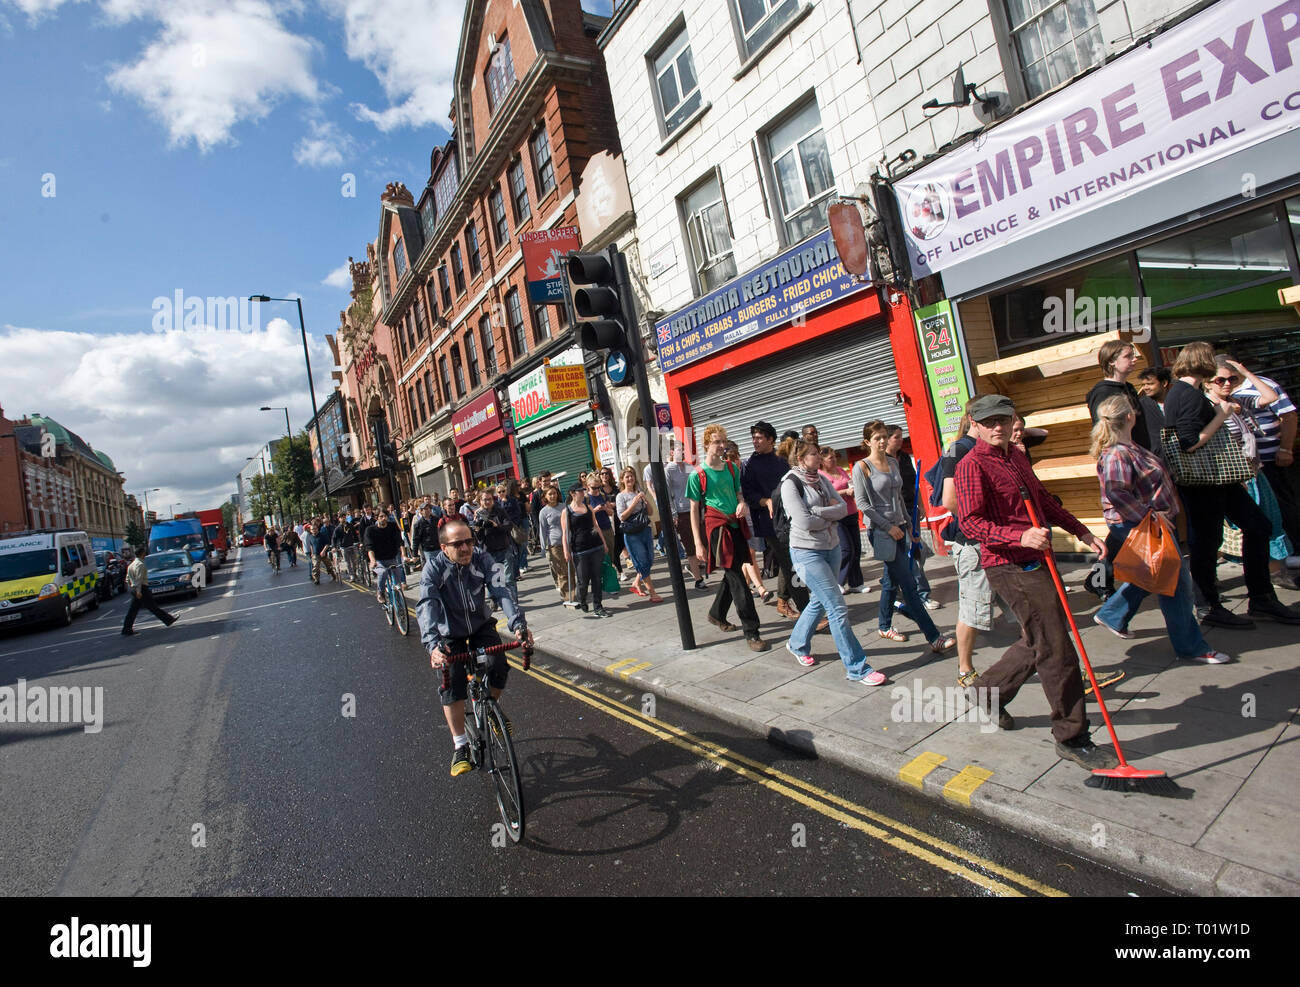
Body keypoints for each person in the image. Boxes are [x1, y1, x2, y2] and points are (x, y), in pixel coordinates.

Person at [955, 393, 1117, 765]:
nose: (998, 426)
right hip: (1009, 564)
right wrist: (1019, 536)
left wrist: (1082, 532)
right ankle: (1071, 735)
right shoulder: (971, 465)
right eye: (989, 421)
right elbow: (970, 523)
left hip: (1036, 557)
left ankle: (988, 692)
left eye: (1003, 419)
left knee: (1041, 636)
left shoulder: (1015, 456)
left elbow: (1043, 500)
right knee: (1057, 648)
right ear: (975, 425)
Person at [1164, 341, 1300, 627]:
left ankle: (1261, 599)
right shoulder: (1187, 394)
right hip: (1204, 479)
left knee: (1257, 526)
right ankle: (1209, 605)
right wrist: (1221, 416)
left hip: (1217, 478)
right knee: (1207, 540)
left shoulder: (1185, 391)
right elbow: (1189, 442)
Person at [1090, 395, 1230, 663]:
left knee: (1160, 576)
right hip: (1142, 524)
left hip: (1148, 522)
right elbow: (1116, 492)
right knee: (1175, 583)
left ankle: (1113, 615)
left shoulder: (1126, 447)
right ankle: (1191, 647)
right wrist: (1149, 517)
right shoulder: (1118, 453)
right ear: (1129, 416)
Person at [418, 519, 533, 777]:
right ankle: (460, 745)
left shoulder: (483, 559)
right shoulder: (433, 569)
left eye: (469, 541)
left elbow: (502, 591)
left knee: (498, 664)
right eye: (458, 544)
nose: (466, 548)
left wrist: (518, 625)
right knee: (453, 680)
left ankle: (491, 706)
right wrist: (433, 645)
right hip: (450, 633)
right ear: (443, 547)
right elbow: (427, 605)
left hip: (480, 625)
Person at [781, 441, 887, 684]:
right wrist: (824, 514)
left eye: (818, 453)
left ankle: (797, 644)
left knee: (820, 599)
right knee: (837, 607)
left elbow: (842, 509)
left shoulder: (821, 479)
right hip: (806, 552)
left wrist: (819, 513)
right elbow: (804, 523)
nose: (819, 457)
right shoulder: (790, 483)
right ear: (800, 458)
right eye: (814, 454)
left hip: (831, 547)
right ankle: (857, 668)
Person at [855, 422, 956, 652]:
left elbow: (899, 498)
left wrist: (911, 526)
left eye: (883, 437)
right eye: (877, 438)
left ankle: (883, 625)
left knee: (891, 581)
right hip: (881, 532)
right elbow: (862, 504)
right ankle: (934, 636)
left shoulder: (893, 462)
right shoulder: (862, 467)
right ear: (867, 442)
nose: (882, 441)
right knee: (909, 583)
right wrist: (888, 526)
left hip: (902, 527)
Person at [689, 423, 768, 652]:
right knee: (737, 577)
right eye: (717, 442)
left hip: (736, 524)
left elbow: (739, 494)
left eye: (724, 441)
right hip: (718, 527)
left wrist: (742, 503)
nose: (722, 446)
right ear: (706, 445)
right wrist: (697, 543)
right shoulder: (698, 475)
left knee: (732, 571)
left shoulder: (732, 468)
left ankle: (716, 613)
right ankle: (752, 631)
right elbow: (695, 510)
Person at [1225, 354, 1300, 565]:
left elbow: (1288, 414)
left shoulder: (1259, 386)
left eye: (1230, 378)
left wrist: (1286, 448)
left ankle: (1293, 550)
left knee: (1281, 505)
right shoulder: (1224, 397)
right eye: (1221, 379)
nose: (1226, 383)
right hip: (1245, 467)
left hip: (1269, 458)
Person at [742, 420, 807, 619]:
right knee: (791, 565)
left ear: (771, 439)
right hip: (769, 523)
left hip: (790, 519)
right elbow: (748, 494)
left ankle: (782, 601)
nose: (755, 441)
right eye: (753, 437)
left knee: (791, 563)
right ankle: (807, 611)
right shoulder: (749, 465)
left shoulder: (781, 460)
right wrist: (765, 501)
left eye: (759, 437)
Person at [886, 424, 937, 608]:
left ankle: (899, 587)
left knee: (917, 551)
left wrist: (921, 504)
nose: (901, 440)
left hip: (911, 508)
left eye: (901, 436)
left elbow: (915, 481)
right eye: (896, 437)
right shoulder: (882, 461)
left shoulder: (905, 457)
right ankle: (921, 595)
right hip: (895, 512)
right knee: (911, 551)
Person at [1086, 340, 1153, 452]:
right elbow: (1103, 431)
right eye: (1128, 356)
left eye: (1134, 355)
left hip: (1139, 454)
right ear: (1112, 361)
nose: (1134, 359)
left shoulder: (1129, 388)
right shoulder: (1103, 392)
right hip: (1121, 457)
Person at [662, 438, 706, 588]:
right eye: (679, 450)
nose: (682, 452)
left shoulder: (688, 467)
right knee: (690, 546)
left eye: (683, 450)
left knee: (702, 541)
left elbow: (698, 487)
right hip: (681, 512)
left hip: (694, 509)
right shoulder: (669, 470)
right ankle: (698, 580)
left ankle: (694, 567)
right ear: (672, 452)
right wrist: (673, 514)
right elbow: (667, 494)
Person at [616, 466, 663, 602]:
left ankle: (637, 582)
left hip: (645, 529)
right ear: (622, 480)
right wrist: (634, 503)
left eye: (632, 476)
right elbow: (622, 517)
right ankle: (652, 593)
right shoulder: (621, 496)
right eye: (627, 477)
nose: (630, 478)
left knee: (649, 559)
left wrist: (644, 500)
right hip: (632, 533)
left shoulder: (639, 491)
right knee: (642, 561)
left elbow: (650, 512)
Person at [562, 481, 609, 616]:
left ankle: (598, 606)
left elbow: (596, 525)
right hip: (579, 550)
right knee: (583, 580)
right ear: (572, 494)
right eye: (580, 491)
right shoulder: (567, 512)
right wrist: (566, 551)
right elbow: (565, 533)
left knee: (596, 578)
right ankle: (582, 599)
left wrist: (604, 543)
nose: (583, 493)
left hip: (596, 546)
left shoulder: (588, 507)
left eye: (583, 490)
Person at [472, 488, 517, 608]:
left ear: (493, 499)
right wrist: (478, 528)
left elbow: (509, 526)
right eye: (485, 500)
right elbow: (479, 538)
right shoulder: (478, 514)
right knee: (492, 579)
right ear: (480, 501)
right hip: (488, 551)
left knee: (508, 579)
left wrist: (497, 526)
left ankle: (513, 603)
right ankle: (493, 599)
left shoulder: (500, 511)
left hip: (504, 548)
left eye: (489, 499)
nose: (487, 502)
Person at [121, 548, 177, 635]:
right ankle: (169, 619)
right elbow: (139, 579)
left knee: (133, 610)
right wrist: (139, 591)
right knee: (153, 607)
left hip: (134, 589)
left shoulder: (131, 565)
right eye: (144, 553)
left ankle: (126, 629)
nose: (145, 554)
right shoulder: (140, 564)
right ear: (142, 554)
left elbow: (127, 579)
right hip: (141, 589)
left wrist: (133, 588)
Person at [363, 507, 405, 605]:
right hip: (378, 561)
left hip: (392, 558)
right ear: (376, 518)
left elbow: (400, 542)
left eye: (385, 516)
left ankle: (399, 605)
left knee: (397, 582)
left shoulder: (393, 526)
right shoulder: (370, 530)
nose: (384, 518)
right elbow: (370, 548)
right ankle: (380, 593)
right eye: (381, 516)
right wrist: (372, 561)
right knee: (383, 572)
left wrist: (404, 555)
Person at [538, 485, 571, 604]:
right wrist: (544, 547)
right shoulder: (543, 512)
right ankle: (567, 596)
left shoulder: (564, 507)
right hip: (555, 544)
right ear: (545, 497)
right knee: (562, 571)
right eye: (550, 494)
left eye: (554, 493)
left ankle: (572, 591)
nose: (553, 496)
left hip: (568, 542)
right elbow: (542, 530)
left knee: (571, 569)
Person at [412, 501, 441, 569]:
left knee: (441, 566)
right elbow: (416, 539)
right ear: (421, 511)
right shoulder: (418, 524)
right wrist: (414, 554)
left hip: (438, 547)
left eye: (429, 509)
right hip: (428, 550)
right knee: (432, 568)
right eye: (425, 509)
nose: (427, 510)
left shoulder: (436, 519)